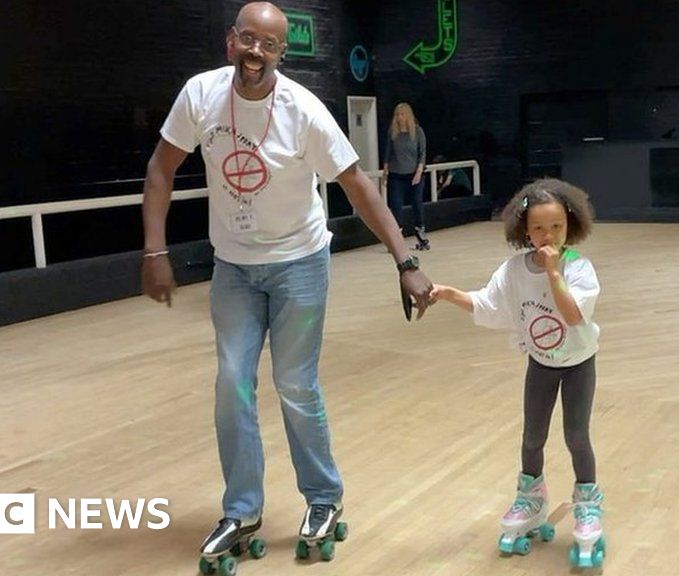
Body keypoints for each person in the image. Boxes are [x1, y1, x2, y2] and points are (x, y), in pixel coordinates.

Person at [139, 2, 433, 567]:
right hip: (234, 268)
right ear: (231, 42)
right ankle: (242, 509)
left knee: (295, 383)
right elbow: (161, 168)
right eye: (249, 39)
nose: (257, 52)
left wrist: (405, 261)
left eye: (269, 44)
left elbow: (357, 185)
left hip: (300, 264)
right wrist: (155, 249)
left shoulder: (304, 110)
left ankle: (323, 498)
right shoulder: (200, 95)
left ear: (281, 52)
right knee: (232, 384)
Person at [429, 178, 606, 568]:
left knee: (576, 436)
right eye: (539, 227)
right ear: (524, 229)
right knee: (532, 437)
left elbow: (573, 315)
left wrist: (554, 273)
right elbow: (487, 303)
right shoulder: (513, 271)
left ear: (570, 225)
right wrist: (448, 293)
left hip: (578, 363)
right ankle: (531, 498)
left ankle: (588, 503)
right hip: (541, 363)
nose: (548, 235)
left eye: (556, 226)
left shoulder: (578, 267)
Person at [383, 102, 429, 250]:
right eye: (397, 115)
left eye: (402, 114)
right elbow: (388, 152)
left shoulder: (418, 131)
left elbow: (422, 153)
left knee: (417, 203)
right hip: (396, 174)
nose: (399, 117)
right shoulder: (393, 132)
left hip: (415, 174)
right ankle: (396, 238)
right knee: (396, 205)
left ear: (408, 115)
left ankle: (420, 234)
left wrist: (419, 171)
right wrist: (385, 170)